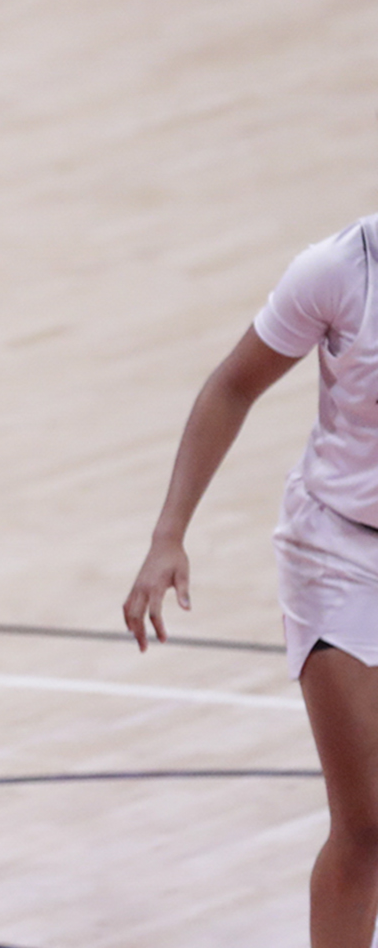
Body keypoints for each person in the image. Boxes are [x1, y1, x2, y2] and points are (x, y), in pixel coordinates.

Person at [125, 216, 378, 948]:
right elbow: (232, 387)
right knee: (366, 824)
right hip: (338, 553)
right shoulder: (338, 269)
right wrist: (168, 534)